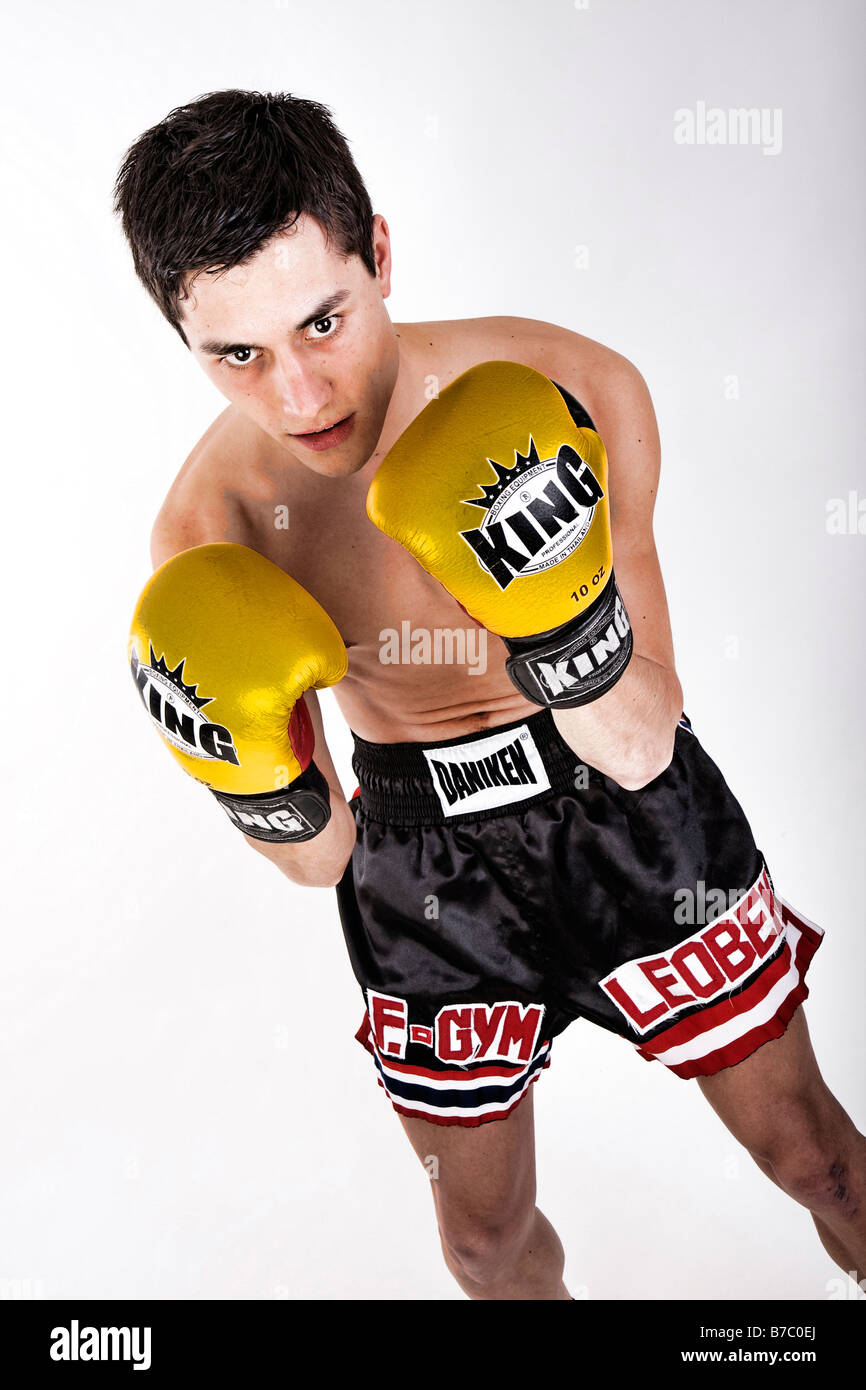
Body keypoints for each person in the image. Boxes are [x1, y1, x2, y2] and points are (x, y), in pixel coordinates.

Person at [117, 89, 865, 1301]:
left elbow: (635, 744)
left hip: (626, 811)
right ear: (184, 344)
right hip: (419, 862)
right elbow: (322, 864)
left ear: (381, 256)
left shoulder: (568, 383)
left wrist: (560, 618)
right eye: (238, 355)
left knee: (818, 1165)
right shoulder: (211, 531)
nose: (301, 394)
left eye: (323, 319)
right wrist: (256, 786)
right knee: (478, 1245)